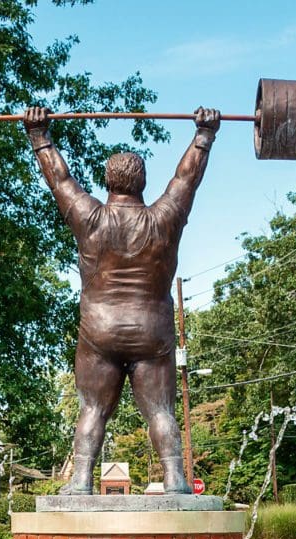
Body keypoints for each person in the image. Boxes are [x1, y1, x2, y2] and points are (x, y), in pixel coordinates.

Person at [24, 104, 220, 494]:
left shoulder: (89, 216)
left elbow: (59, 181)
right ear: (143, 183)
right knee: (161, 410)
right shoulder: (164, 218)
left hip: (101, 329)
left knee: (92, 408)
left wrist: (39, 137)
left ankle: (81, 480)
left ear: (107, 181)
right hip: (152, 330)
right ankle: (175, 478)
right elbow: (186, 180)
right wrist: (204, 137)